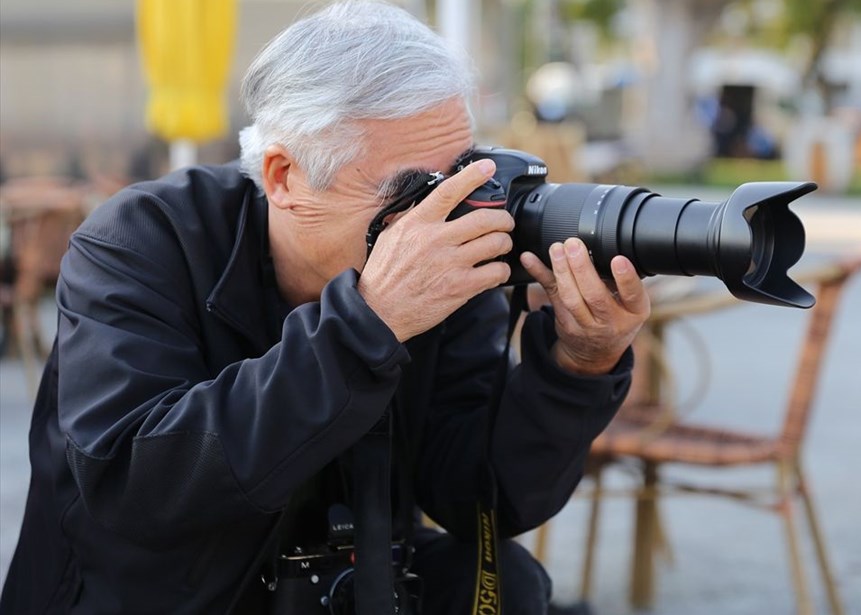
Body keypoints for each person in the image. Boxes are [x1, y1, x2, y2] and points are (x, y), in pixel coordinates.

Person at [0, 2, 649, 613]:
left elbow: (479, 494)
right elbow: (137, 485)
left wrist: (575, 367)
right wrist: (367, 325)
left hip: (345, 577)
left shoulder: (441, 265)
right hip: (165, 590)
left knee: (507, 582)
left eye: (460, 176)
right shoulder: (140, 241)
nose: (441, 211)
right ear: (284, 176)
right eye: (414, 189)